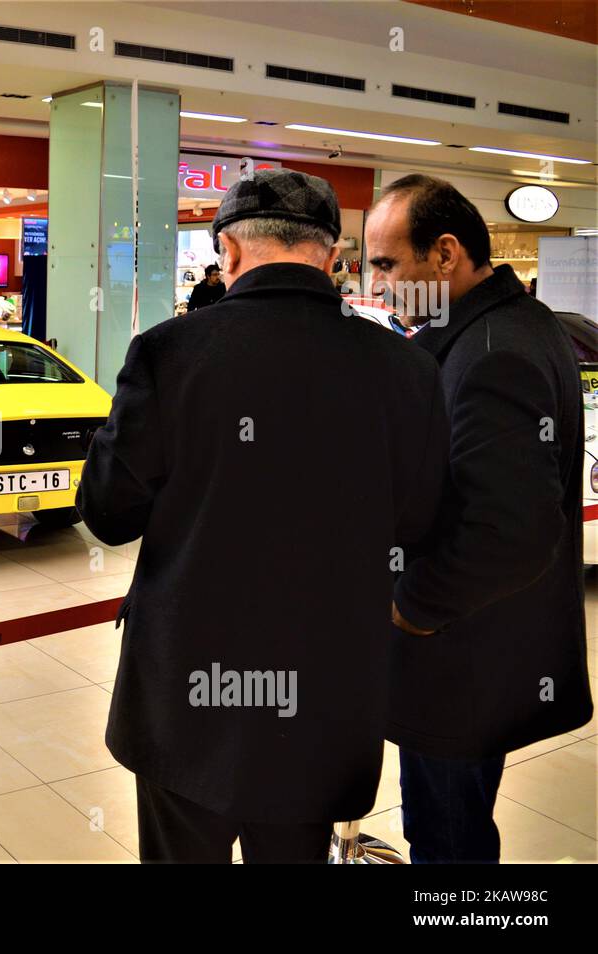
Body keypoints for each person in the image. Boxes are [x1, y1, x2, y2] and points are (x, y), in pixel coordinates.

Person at [78, 169, 449, 863]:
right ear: (332, 255)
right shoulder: (405, 369)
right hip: (328, 696)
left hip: (184, 699)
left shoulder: (167, 354)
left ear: (230, 251)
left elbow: (107, 514)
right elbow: (420, 521)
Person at [366, 174, 592, 864]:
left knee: (448, 836)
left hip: (460, 660)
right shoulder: (503, 326)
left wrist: (414, 608)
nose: (377, 287)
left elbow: (511, 530)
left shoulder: (492, 354)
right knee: (449, 823)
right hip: (474, 651)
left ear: (444, 254)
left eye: (386, 264)